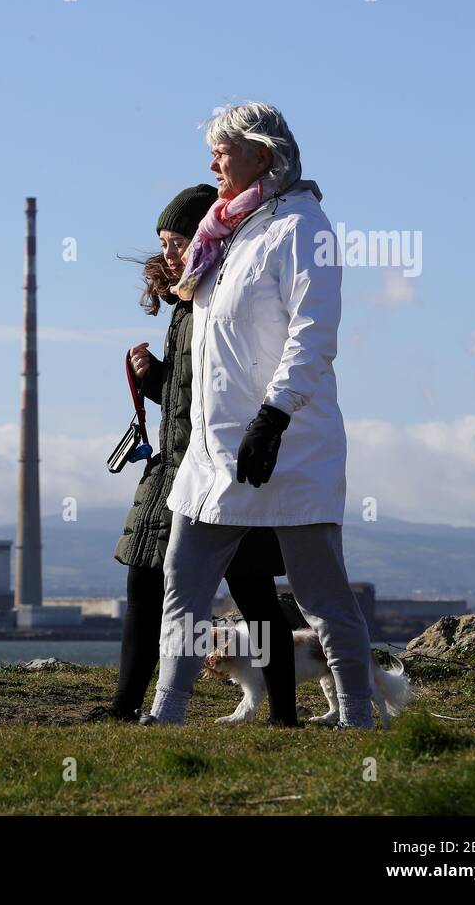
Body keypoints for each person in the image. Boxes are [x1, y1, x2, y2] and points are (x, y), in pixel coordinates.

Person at [146, 102, 375, 729]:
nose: (212, 161)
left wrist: (273, 417)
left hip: (289, 445)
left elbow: (313, 333)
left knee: (322, 593)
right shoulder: (233, 230)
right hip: (216, 446)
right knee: (183, 581)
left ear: (263, 157)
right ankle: (166, 712)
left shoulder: (304, 227)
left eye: (224, 150)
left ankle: (357, 713)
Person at [89, 185, 297, 725]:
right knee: (143, 584)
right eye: (163, 241)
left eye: (178, 239)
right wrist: (154, 378)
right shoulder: (185, 300)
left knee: (254, 597)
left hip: (223, 469)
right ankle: (124, 707)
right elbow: (188, 393)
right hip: (172, 468)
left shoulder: (223, 298)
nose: (171, 252)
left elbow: (230, 390)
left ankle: (284, 714)